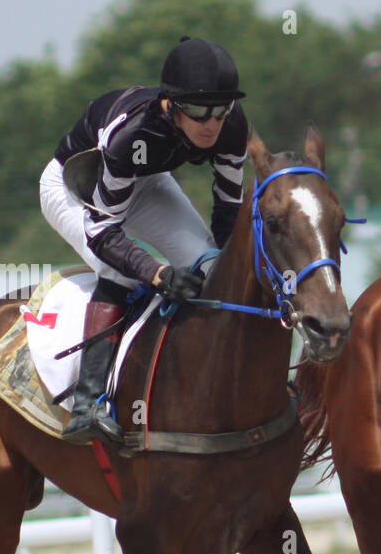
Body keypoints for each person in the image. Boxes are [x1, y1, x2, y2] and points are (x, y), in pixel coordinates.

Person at [39, 36, 249, 443]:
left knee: (209, 263)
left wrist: (221, 265)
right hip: (74, 184)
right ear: (170, 105)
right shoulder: (131, 133)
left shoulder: (232, 124)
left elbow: (227, 211)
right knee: (120, 273)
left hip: (146, 179)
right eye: (200, 111)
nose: (211, 123)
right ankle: (88, 403)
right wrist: (158, 274)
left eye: (221, 111)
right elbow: (103, 232)